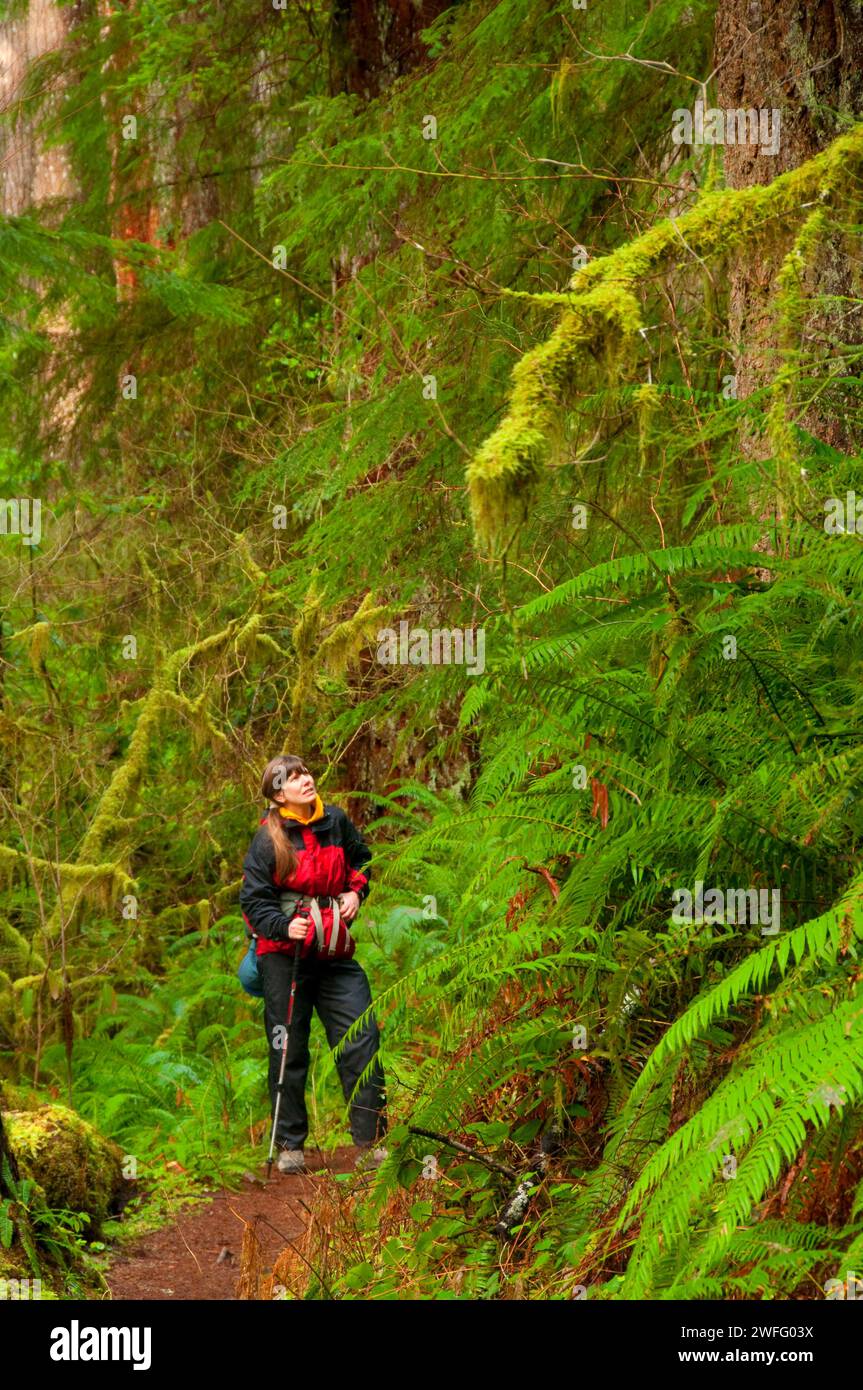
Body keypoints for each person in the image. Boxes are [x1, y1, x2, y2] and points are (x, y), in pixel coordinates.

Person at [239, 753, 388, 1174]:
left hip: (334, 951)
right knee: (288, 1044)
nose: (305, 780)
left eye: (305, 772)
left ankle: (373, 1141)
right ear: (277, 794)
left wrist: (356, 891)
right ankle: (289, 1145)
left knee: (360, 1034)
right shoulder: (268, 839)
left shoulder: (335, 821)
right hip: (284, 956)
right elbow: (253, 900)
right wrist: (284, 927)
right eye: (293, 777)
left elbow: (363, 860)